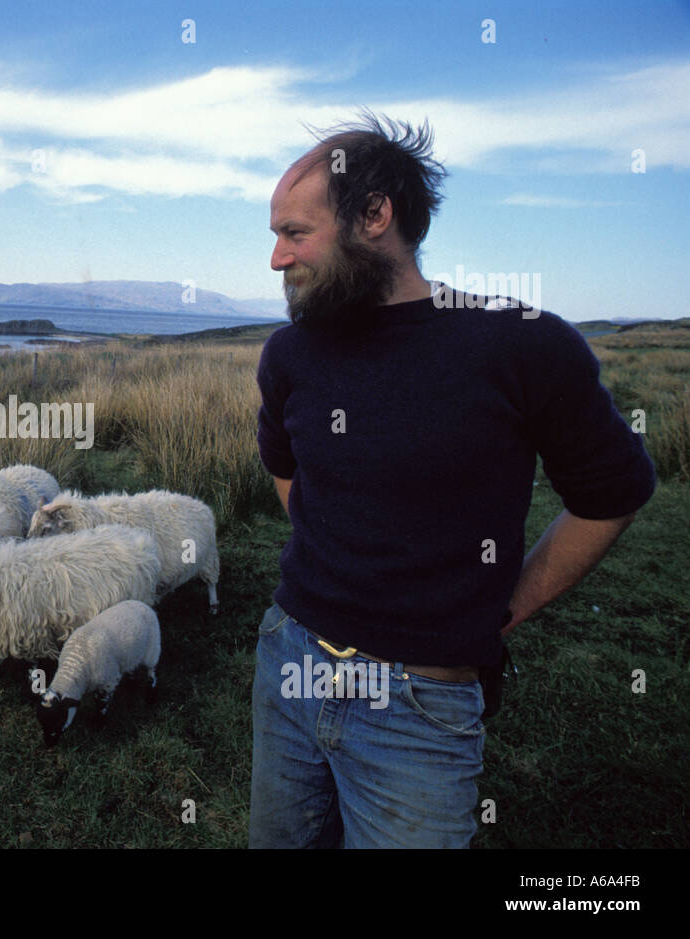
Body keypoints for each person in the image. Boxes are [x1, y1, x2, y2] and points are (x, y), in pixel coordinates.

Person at [248, 112, 657, 848]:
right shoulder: (291, 354)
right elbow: (287, 471)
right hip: (290, 662)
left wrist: (502, 607)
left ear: (375, 215)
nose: (276, 258)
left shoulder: (520, 344)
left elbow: (612, 493)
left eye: (295, 233)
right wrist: (337, 559)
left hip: (420, 704)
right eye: (274, 235)